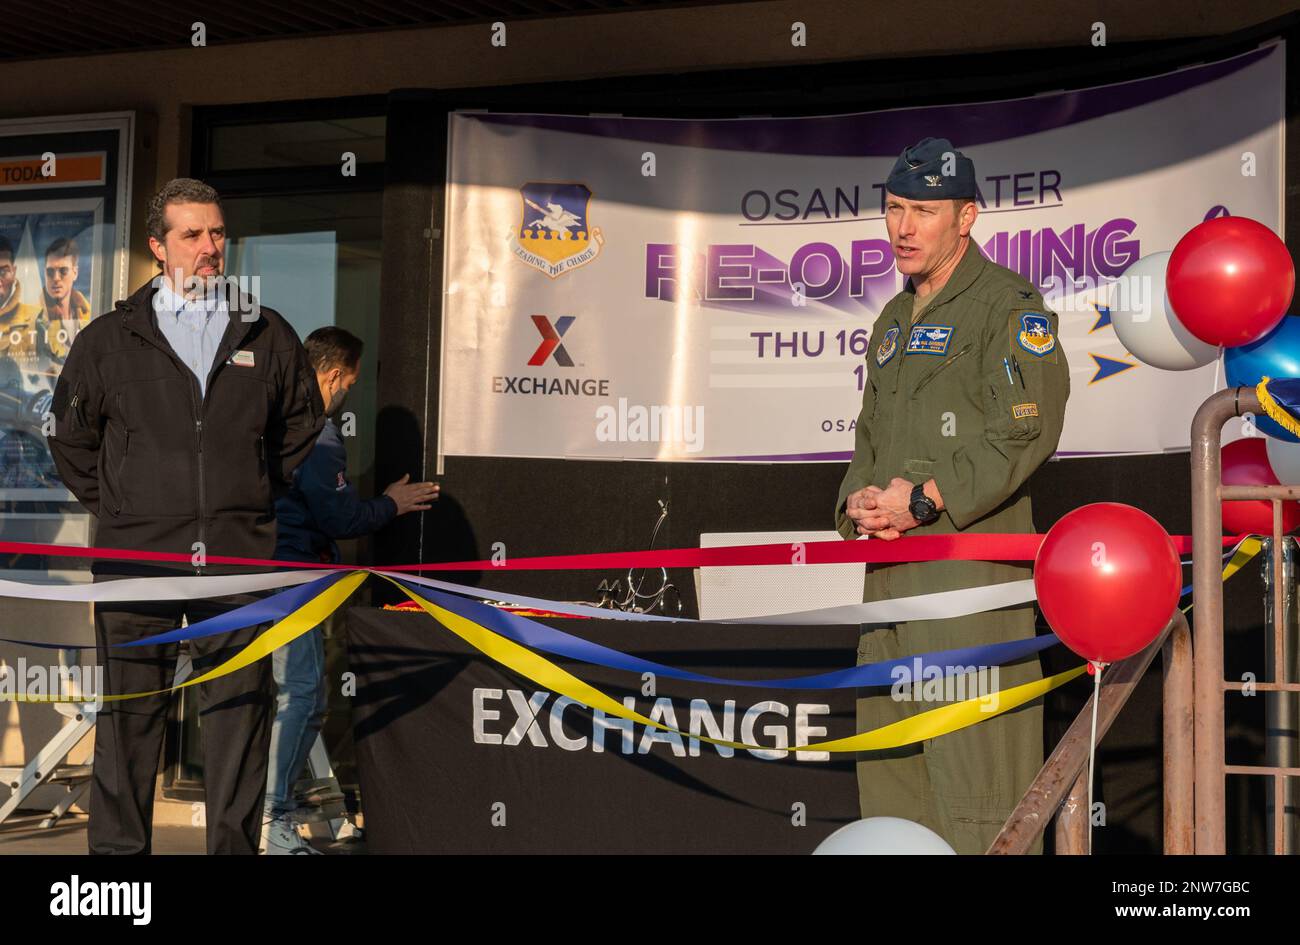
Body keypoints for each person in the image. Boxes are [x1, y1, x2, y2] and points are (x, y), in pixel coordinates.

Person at [46, 177, 324, 854]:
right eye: (192, 235)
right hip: (136, 564)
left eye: (217, 233)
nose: (209, 248)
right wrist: (123, 508)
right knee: (128, 725)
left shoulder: (265, 329)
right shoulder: (109, 340)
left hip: (234, 564)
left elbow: (299, 426)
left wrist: (249, 495)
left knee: (237, 722)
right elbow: (69, 436)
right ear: (157, 246)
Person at [834, 137, 1070, 855]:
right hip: (888, 593)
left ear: (967, 216)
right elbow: (866, 443)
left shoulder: (1008, 306)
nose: (903, 228)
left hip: (968, 596)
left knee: (981, 810)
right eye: (894, 209)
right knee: (892, 800)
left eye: (924, 211)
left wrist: (928, 499)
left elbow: (1029, 429)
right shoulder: (891, 321)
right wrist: (856, 505)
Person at [262, 325, 439, 854]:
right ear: (335, 374)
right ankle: (273, 820)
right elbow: (339, 517)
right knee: (303, 697)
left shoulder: (267, 416)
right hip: (294, 582)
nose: (347, 394)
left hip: (257, 577)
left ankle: (287, 811)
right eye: (350, 384)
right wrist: (390, 505)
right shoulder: (316, 432)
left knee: (287, 697)